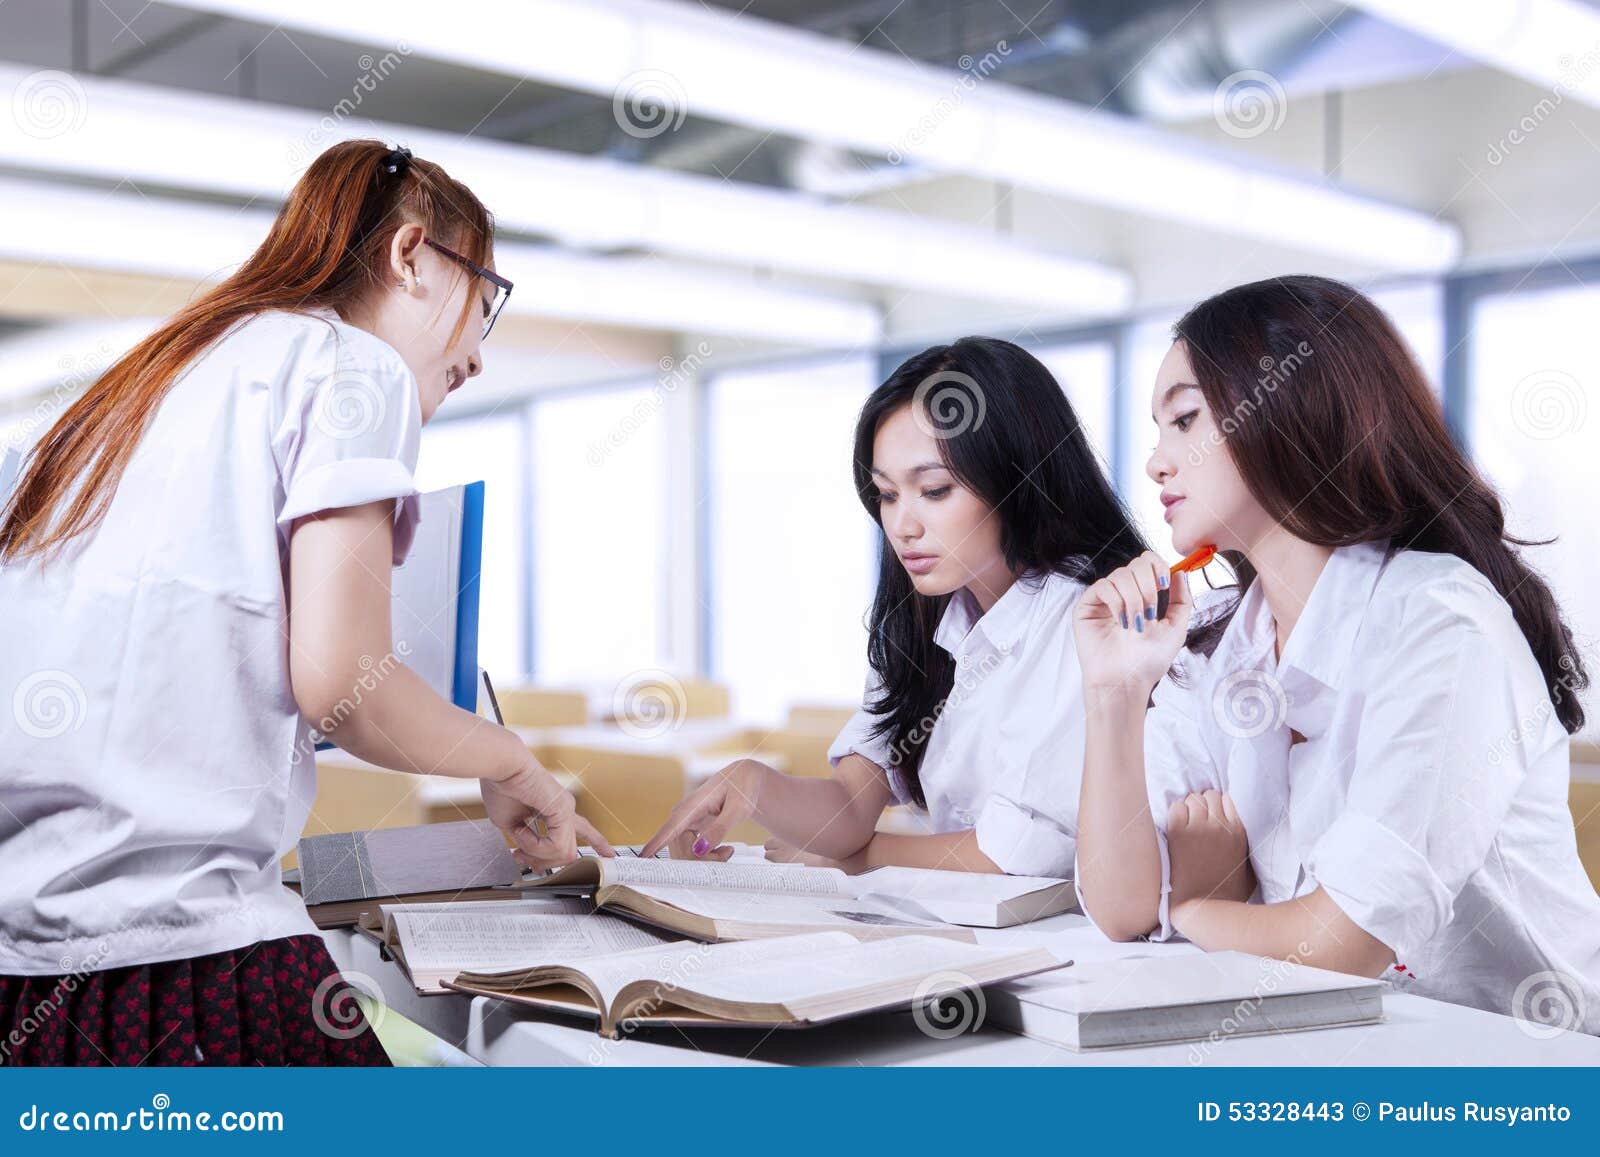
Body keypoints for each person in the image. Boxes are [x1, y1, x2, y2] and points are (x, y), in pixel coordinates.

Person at [0, 140, 609, 1066]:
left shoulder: (138, 393)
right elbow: (346, 686)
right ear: (412, 257)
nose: (480, 357)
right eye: (486, 301)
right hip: (186, 971)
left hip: (36, 983)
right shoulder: (351, 365)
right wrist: (509, 761)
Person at [1072, 274, 1600, 1030]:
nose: (1157, 463)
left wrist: (1192, 903)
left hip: (1543, 1058)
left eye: (1184, 420)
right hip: (1360, 1044)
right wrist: (1113, 695)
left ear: (1288, 409)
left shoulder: (1438, 623)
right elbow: (1122, 907)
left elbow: (1342, 937)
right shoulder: (1226, 636)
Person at [644, 337, 1148, 878]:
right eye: (886, 495)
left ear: (1018, 480)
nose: (903, 527)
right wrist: (756, 782)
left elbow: (1022, 855)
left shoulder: (1086, 615)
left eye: (933, 490)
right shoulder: (929, 616)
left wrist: (862, 858)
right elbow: (851, 807)